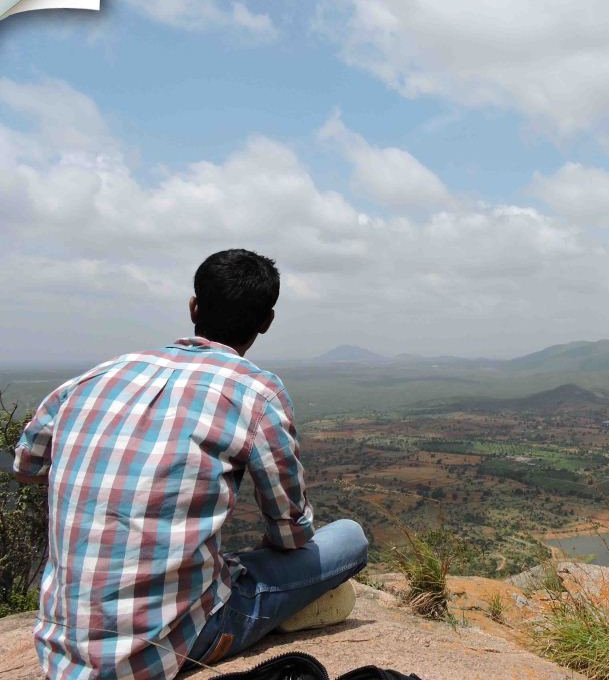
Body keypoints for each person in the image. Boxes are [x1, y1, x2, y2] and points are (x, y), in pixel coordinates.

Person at [14, 249, 368, 680]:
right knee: (349, 538)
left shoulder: (98, 374)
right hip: (166, 644)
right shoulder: (256, 391)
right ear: (266, 322)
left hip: (62, 642)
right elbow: (290, 532)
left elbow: (27, 464)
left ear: (194, 307)